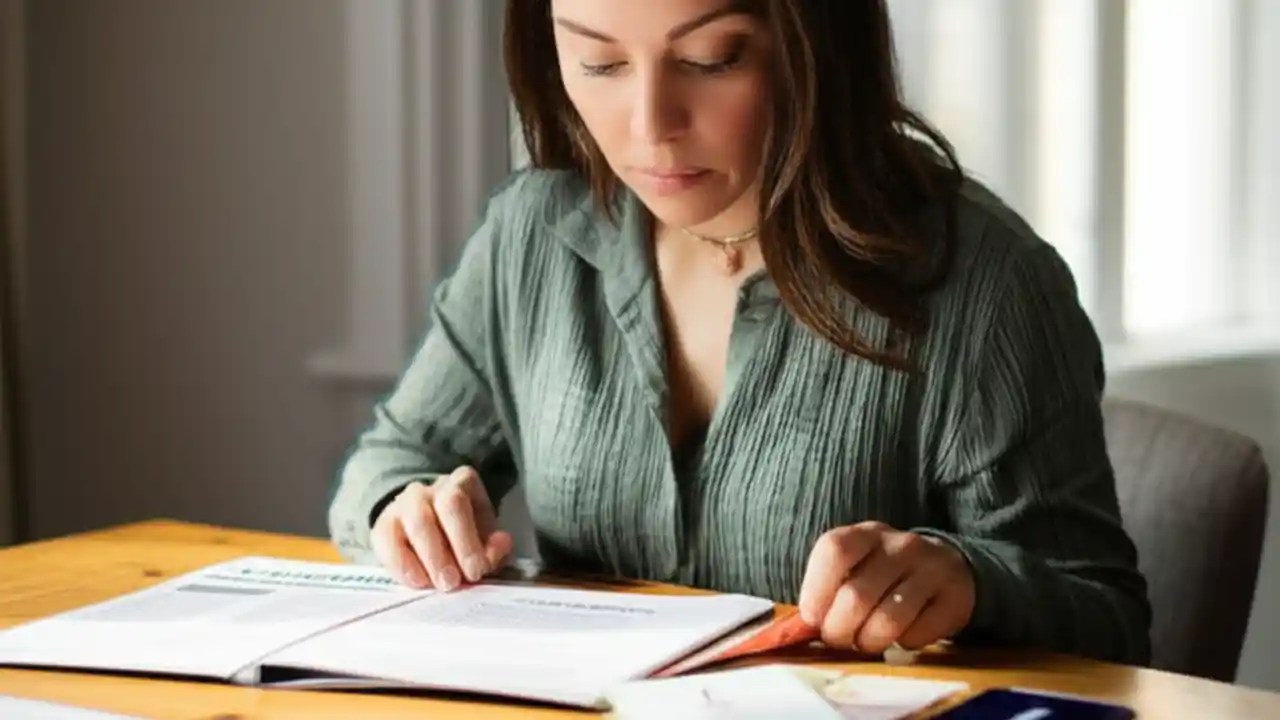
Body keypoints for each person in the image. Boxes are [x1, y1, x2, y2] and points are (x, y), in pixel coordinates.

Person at [328, 0, 1151, 664]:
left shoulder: (987, 283)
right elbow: (387, 466)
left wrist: (969, 582)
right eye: (600, 61)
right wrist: (406, 512)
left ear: (813, 42)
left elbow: (1108, 625)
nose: (650, 124)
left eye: (712, 59)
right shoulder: (531, 237)